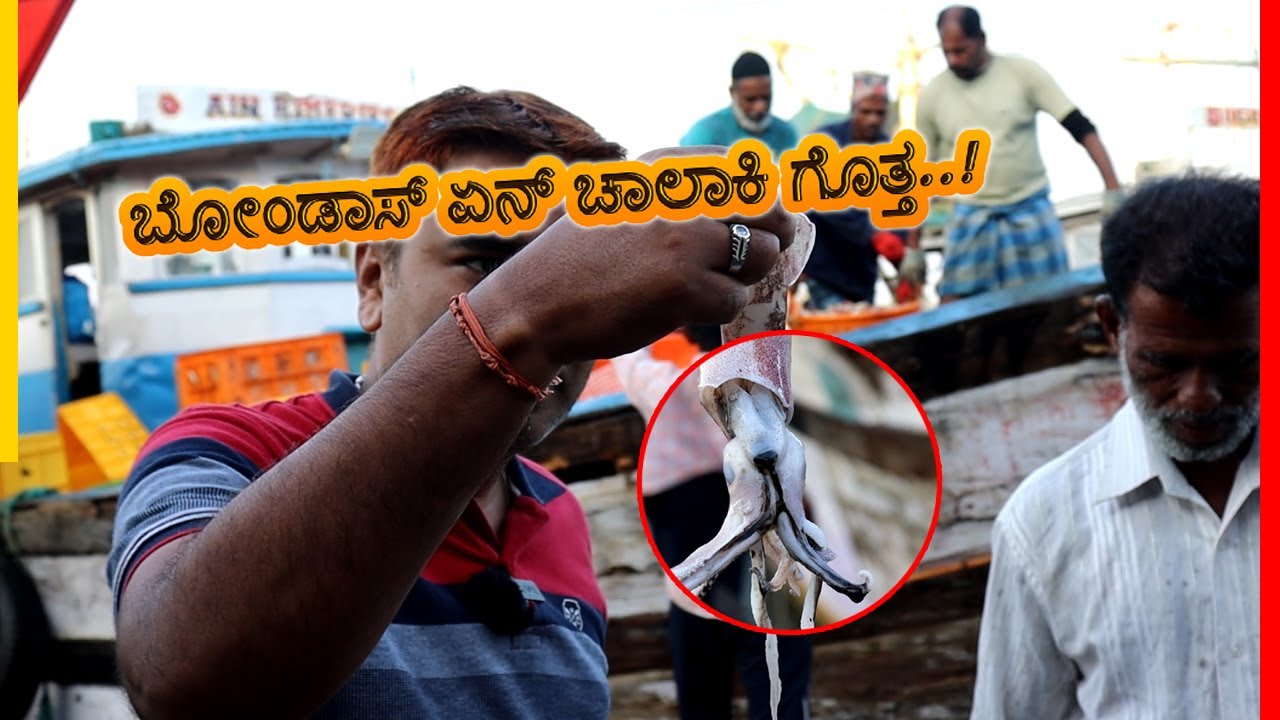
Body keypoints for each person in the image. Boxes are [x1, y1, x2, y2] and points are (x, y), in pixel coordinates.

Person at [106, 86, 801, 719]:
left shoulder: (558, 512)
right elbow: (180, 683)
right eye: (482, 262)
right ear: (374, 280)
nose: (564, 305)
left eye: (582, 273)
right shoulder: (221, 453)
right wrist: (520, 317)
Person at [970, 173, 1259, 718]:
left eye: (1239, 362)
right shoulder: (1042, 524)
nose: (1199, 398)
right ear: (1111, 327)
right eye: (1164, 363)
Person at [612, 324, 813, 720]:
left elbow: (632, 368)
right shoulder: (762, 384)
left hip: (682, 516)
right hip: (757, 513)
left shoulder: (668, 387)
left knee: (697, 649)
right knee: (772, 646)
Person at [914, 5, 1123, 301]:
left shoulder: (1022, 73)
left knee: (1054, 304)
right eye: (947, 52)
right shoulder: (933, 95)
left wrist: (1112, 188)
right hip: (971, 214)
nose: (954, 60)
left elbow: (1080, 127)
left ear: (981, 39)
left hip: (1029, 208)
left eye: (961, 50)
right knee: (956, 307)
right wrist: (913, 248)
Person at [801, 75, 912, 309]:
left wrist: (903, 260)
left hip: (862, 273)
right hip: (825, 269)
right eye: (866, 112)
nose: (873, 119)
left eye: (879, 113)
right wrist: (871, 233)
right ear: (853, 109)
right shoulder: (825, 141)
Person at [681, 51, 799, 158]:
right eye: (751, 99)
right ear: (733, 93)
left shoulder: (786, 134)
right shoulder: (704, 133)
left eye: (766, 97)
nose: (760, 107)